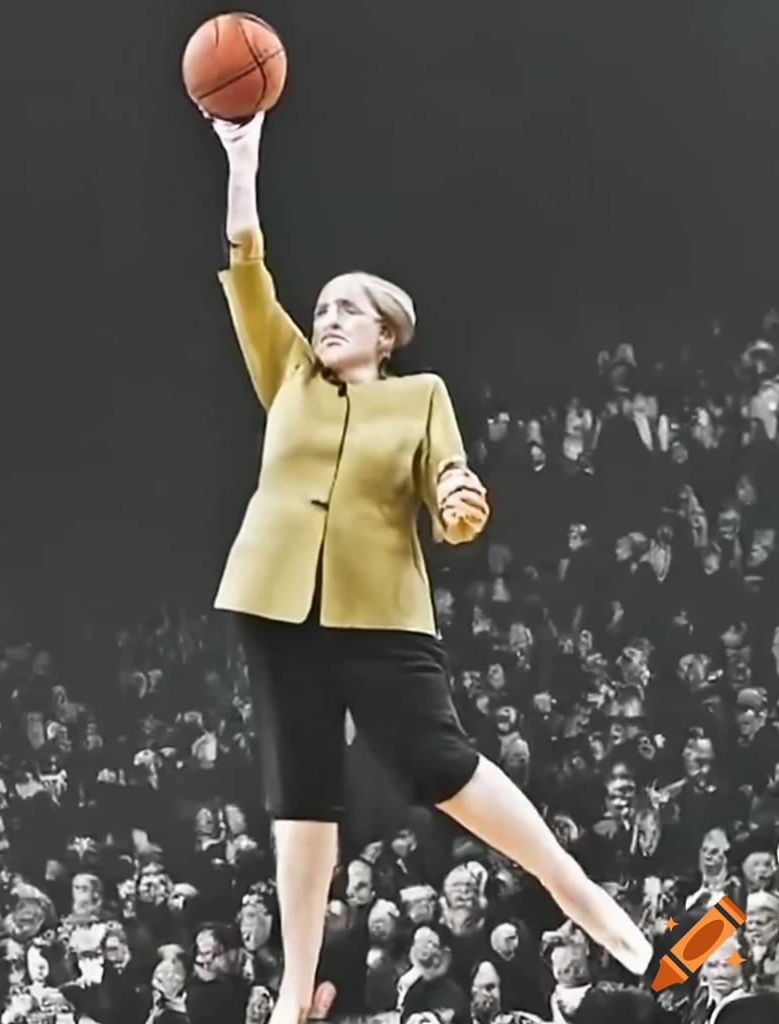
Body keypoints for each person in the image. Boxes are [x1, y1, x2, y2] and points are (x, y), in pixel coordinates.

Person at [203, 110, 653, 1024]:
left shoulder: (419, 397)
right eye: (320, 308)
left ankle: (577, 890)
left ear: (387, 334)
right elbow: (247, 265)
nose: (325, 319)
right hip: (273, 602)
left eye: (345, 309)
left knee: (434, 758)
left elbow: (449, 476)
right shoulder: (287, 373)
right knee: (300, 788)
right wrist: (242, 151)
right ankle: (295, 992)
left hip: (381, 611)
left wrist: (459, 500)